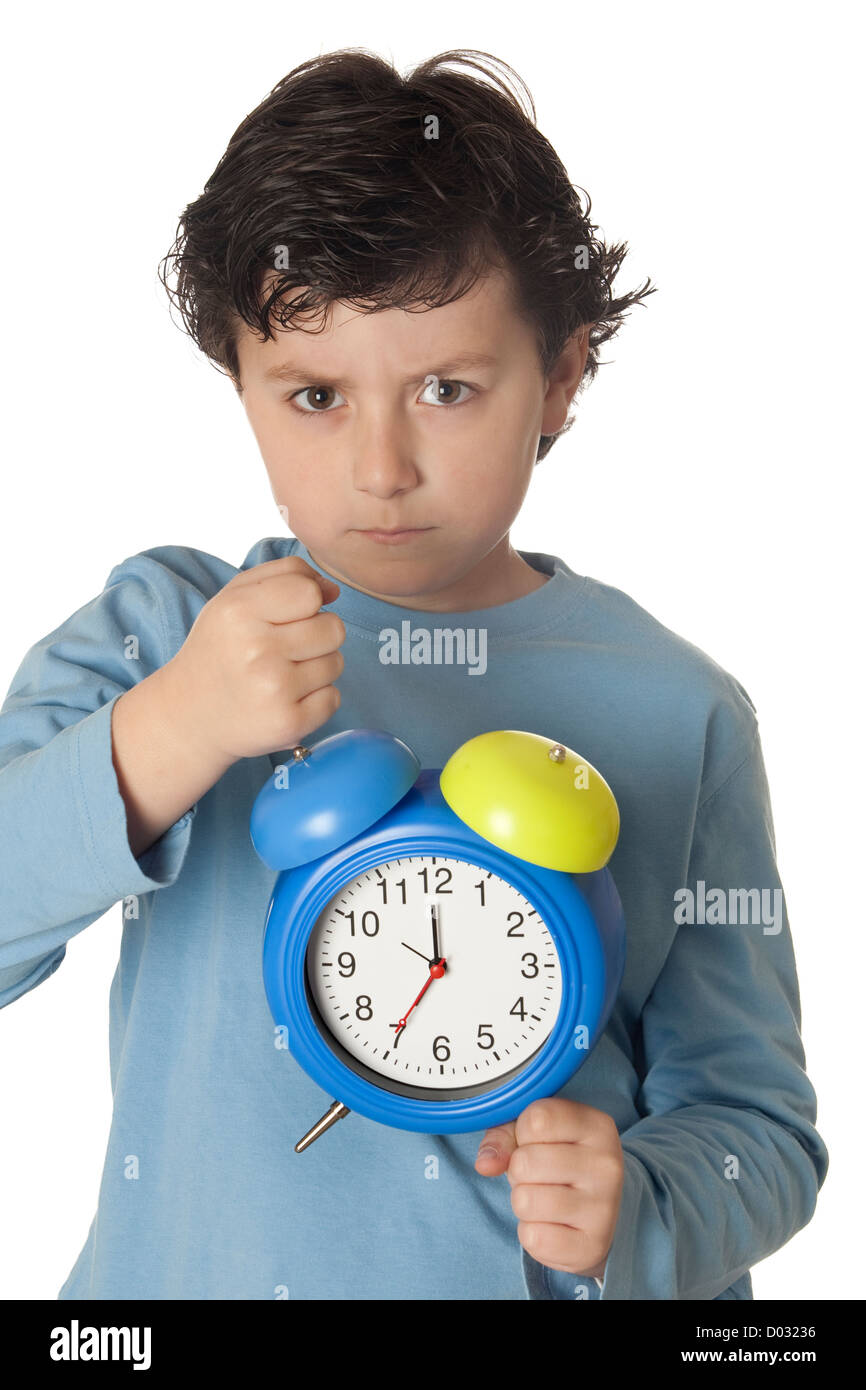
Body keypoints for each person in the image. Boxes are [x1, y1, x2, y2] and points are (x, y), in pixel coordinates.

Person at [0, 47, 828, 1301]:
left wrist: (643, 1204)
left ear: (559, 376)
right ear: (241, 385)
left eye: (445, 387)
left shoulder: (680, 710)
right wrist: (166, 734)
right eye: (315, 394)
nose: (380, 466)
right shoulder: (165, 633)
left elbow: (758, 1128)